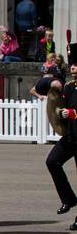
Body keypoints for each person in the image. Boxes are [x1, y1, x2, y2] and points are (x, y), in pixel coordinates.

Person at [44, 39, 77, 217]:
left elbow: (72, 111)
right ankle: (69, 198)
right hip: (71, 136)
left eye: (76, 65)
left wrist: (73, 114)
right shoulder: (70, 86)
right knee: (52, 162)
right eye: (72, 65)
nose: (72, 68)